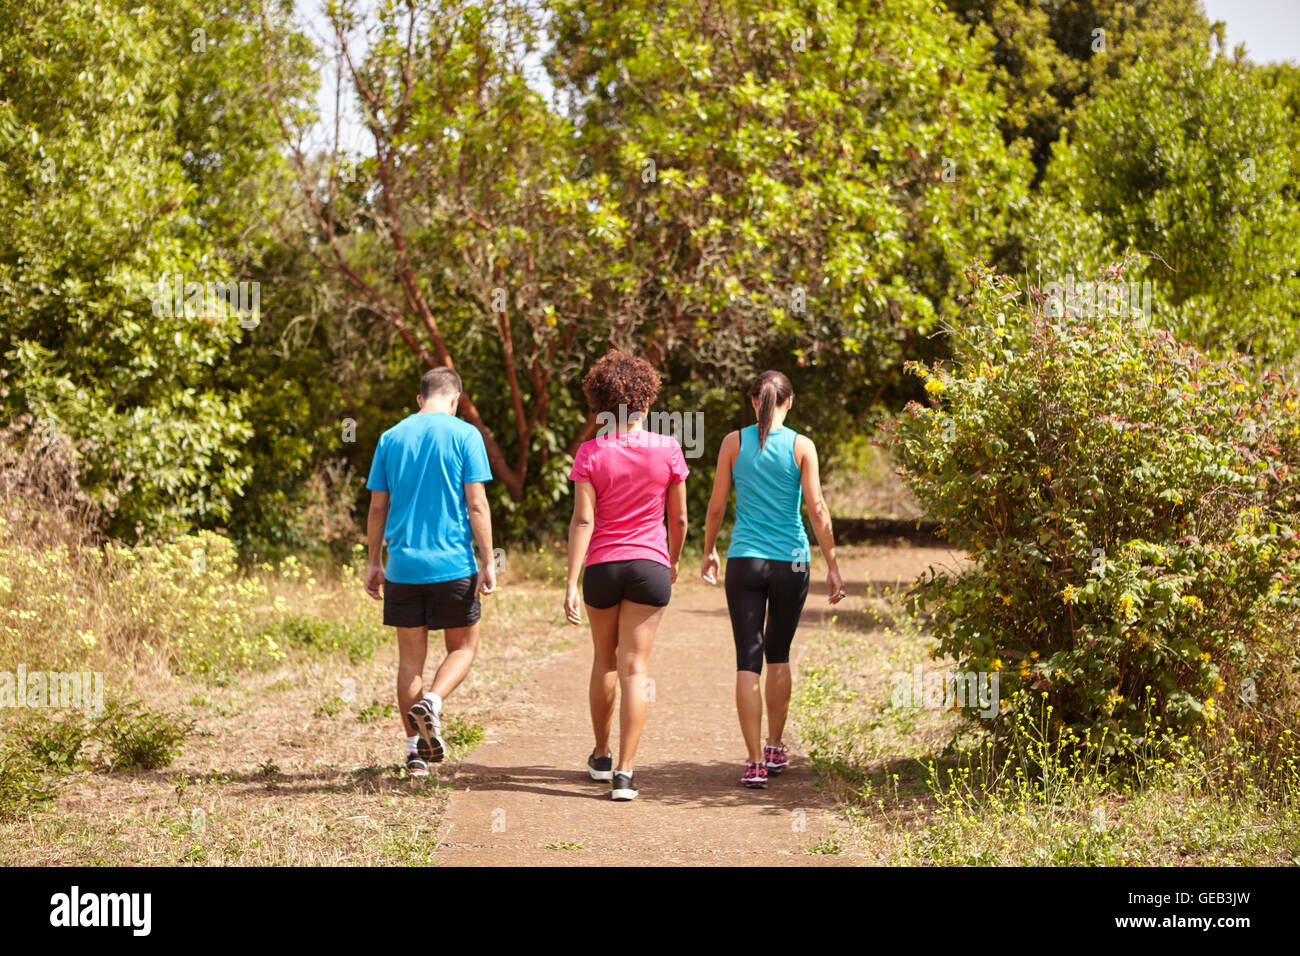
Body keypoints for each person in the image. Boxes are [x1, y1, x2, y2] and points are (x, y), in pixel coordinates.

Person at [701, 370, 844, 789]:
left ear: (752, 401)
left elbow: (715, 506)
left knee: (749, 656)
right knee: (778, 651)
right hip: (793, 562)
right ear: (790, 401)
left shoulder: (733, 443)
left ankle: (752, 763)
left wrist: (709, 550)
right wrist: (833, 564)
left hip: (744, 559)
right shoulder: (803, 446)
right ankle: (775, 746)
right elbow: (817, 509)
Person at [564, 351, 689, 801]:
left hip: (601, 567)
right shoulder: (669, 449)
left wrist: (571, 582)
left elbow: (583, 522)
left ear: (599, 401)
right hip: (649, 566)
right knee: (636, 670)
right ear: (647, 397)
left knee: (605, 662)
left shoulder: (589, 452)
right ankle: (625, 774)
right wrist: (671, 561)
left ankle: (600, 755)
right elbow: (680, 520)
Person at [364, 367, 496, 778]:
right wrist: (489, 560)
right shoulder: (465, 435)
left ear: (419, 399)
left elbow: (377, 508)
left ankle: (415, 754)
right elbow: (477, 505)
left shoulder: (390, 437)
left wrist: (373, 562)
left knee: (410, 662)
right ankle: (434, 702)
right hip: (453, 565)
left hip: (403, 568)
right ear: (455, 400)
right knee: (463, 648)